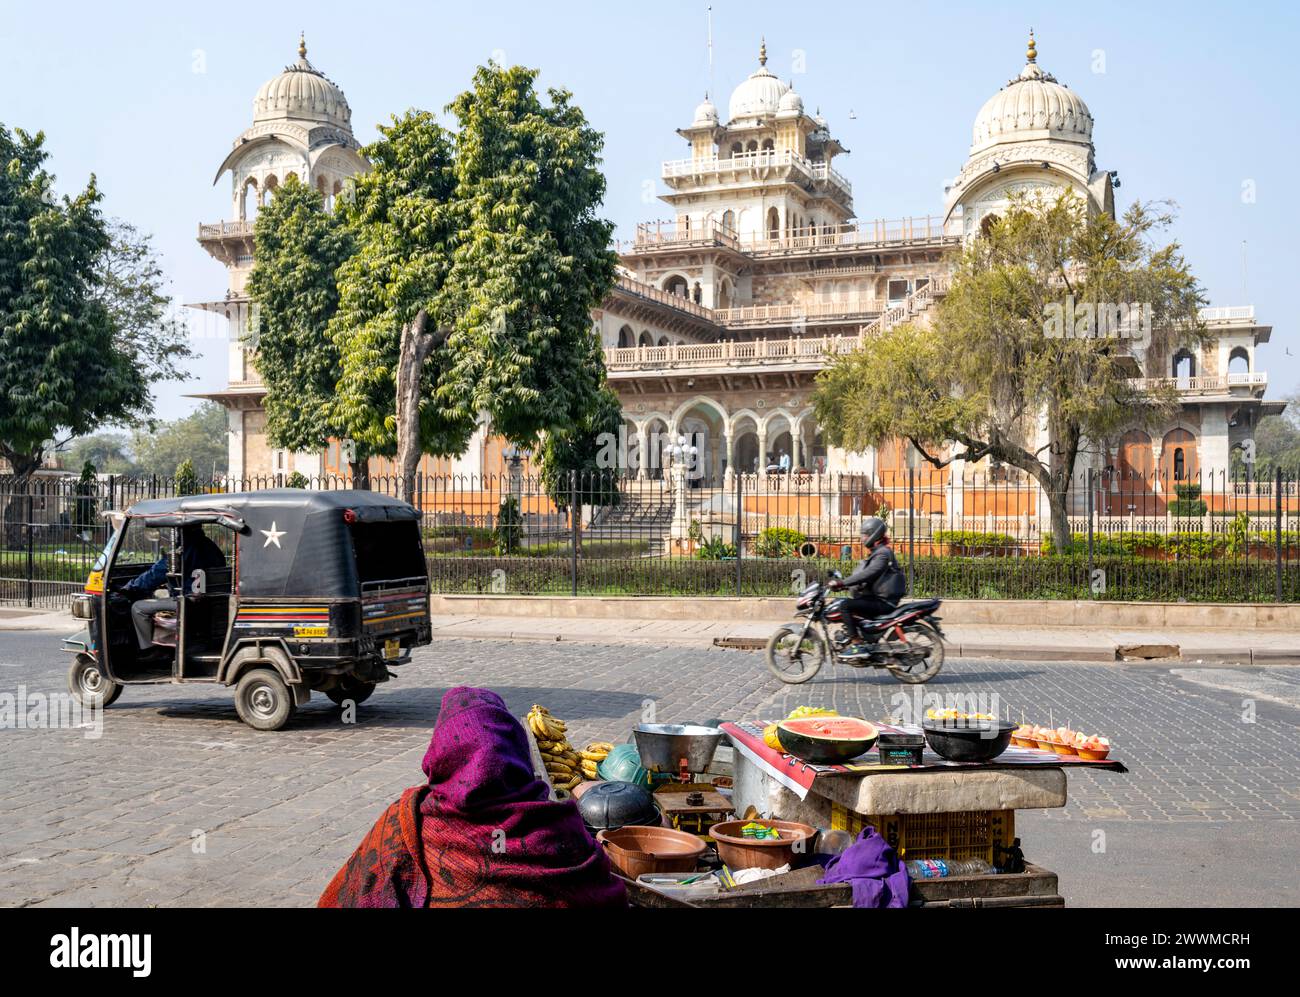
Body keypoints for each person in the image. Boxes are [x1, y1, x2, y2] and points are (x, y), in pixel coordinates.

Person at [318, 687, 627, 908]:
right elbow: (608, 895)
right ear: (516, 751)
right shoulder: (561, 829)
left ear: (441, 756)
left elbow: (354, 893)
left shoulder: (406, 820)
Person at [125, 524, 226, 652]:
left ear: (180, 530)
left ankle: (149, 651)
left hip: (189, 601)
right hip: (210, 600)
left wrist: (131, 587)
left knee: (138, 608)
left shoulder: (183, 549)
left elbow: (155, 575)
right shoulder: (211, 546)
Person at [830, 516, 907, 649]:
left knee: (845, 606)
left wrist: (842, 583)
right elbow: (868, 578)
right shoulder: (878, 552)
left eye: (865, 535)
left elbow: (868, 574)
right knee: (851, 603)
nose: (862, 538)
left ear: (874, 535)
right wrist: (844, 586)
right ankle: (862, 637)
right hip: (878, 598)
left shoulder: (882, 553)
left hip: (884, 602)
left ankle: (856, 643)